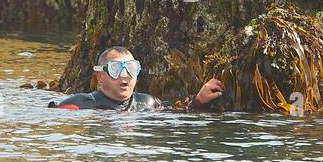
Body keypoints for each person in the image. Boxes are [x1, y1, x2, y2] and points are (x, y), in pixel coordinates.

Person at [49, 46, 224, 112]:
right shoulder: (80, 103)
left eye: (131, 69)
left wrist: (199, 100)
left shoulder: (148, 103)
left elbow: (181, 115)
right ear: (100, 76)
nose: (125, 75)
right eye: (116, 69)